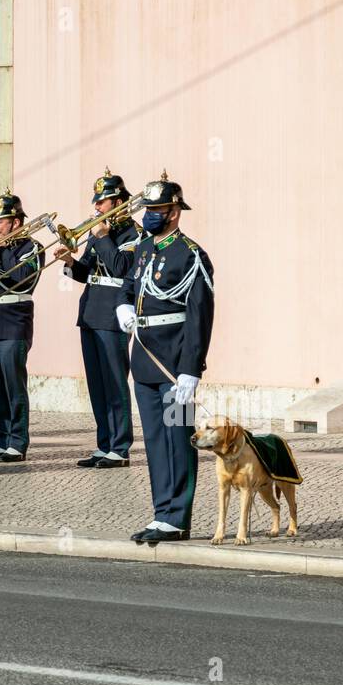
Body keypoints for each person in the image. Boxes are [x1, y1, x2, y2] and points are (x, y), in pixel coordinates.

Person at [114, 172, 214, 544]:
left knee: (178, 439)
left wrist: (191, 369)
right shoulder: (142, 249)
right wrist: (123, 307)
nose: (150, 215)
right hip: (143, 361)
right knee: (156, 440)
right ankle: (162, 513)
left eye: (157, 209)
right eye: (148, 209)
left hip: (173, 366)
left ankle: (178, 516)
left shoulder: (190, 254)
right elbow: (129, 287)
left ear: (174, 212)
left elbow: (199, 317)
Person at [56, 169, 140, 469]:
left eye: (102, 203)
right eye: (98, 203)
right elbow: (88, 273)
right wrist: (69, 263)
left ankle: (120, 447)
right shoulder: (98, 231)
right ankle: (104, 445)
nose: (97, 208)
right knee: (97, 384)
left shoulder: (134, 234)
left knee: (114, 382)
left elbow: (120, 268)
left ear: (118, 201)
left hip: (113, 316)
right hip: (90, 314)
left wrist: (103, 237)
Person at [0, 191, 41, 463]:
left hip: (14, 322)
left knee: (13, 384)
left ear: (15, 222)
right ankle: (1, 437)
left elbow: (20, 279)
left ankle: (18, 440)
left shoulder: (32, 248)